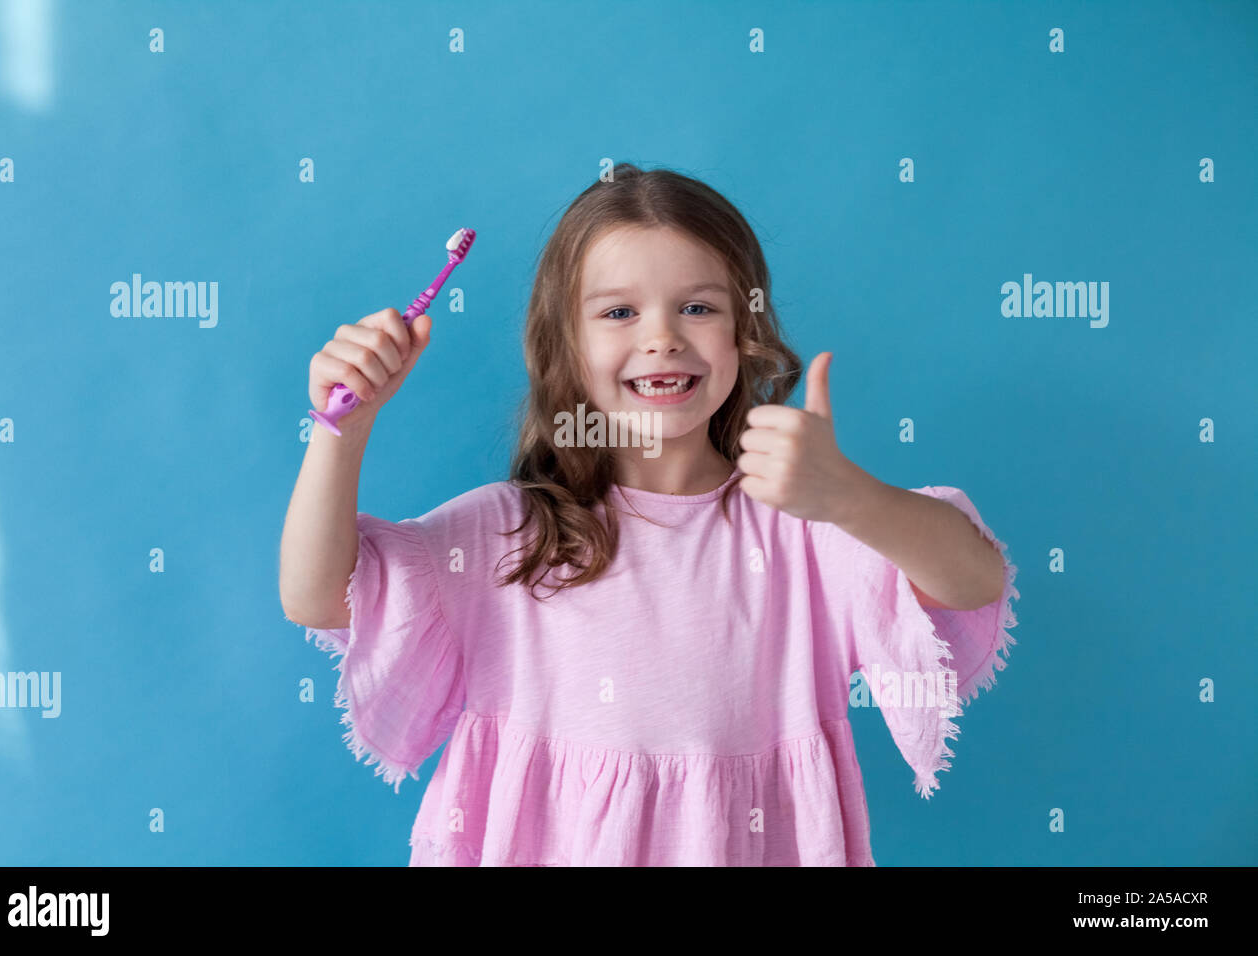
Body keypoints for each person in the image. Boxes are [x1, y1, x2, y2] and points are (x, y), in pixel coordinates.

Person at [279, 163, 1020, 866]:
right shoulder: (506, 533)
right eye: (619, 311)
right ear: (566, 344)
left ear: (745, 332)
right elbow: (317, 595)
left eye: (698, 307)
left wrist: (849, 497)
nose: (661, 336)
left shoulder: (805, 528)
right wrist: (342, 428)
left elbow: (975, 576)